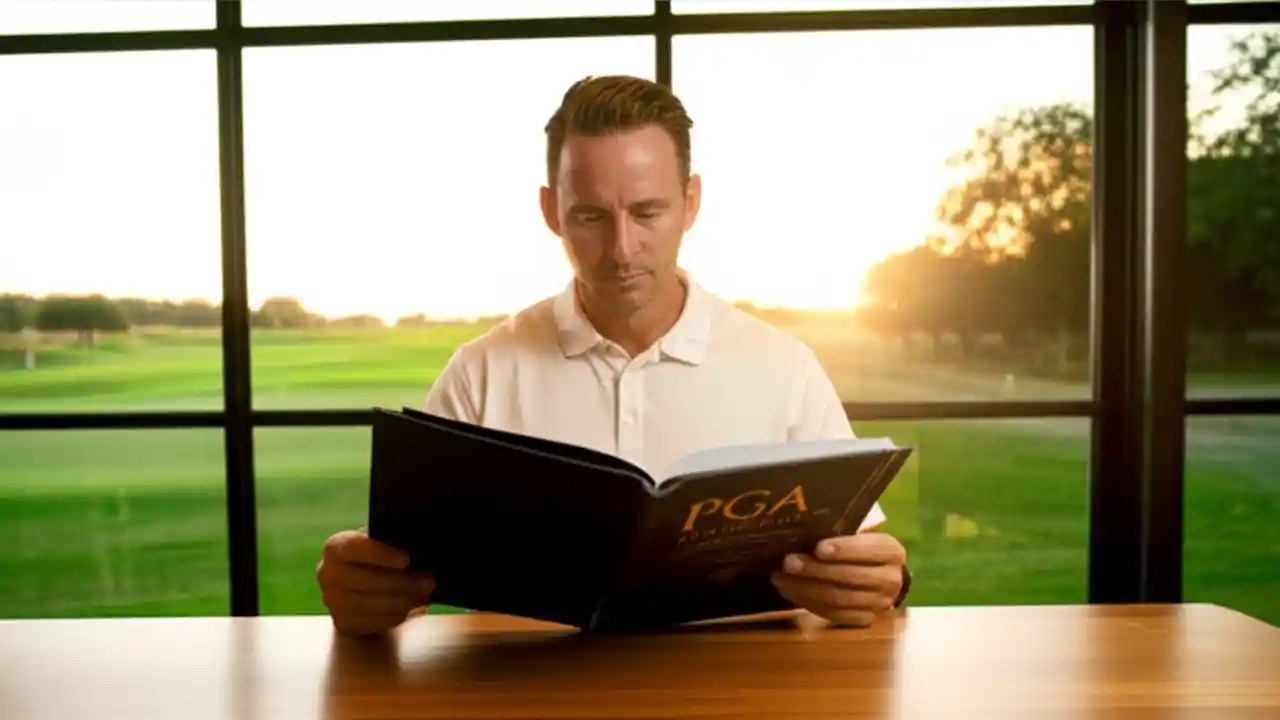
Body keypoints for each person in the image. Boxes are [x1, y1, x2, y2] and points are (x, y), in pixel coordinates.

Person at [316, 75, 910, 636]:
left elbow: (866, 561)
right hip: (527, 688)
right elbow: (399, 579)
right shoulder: (480, 374)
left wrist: (886, 582)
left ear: (691, 202)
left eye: (647, 212)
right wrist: (361, 590)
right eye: (591, 217)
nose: (623, 249)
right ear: (551, 212)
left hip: (735, 691)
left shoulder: (785, 368)